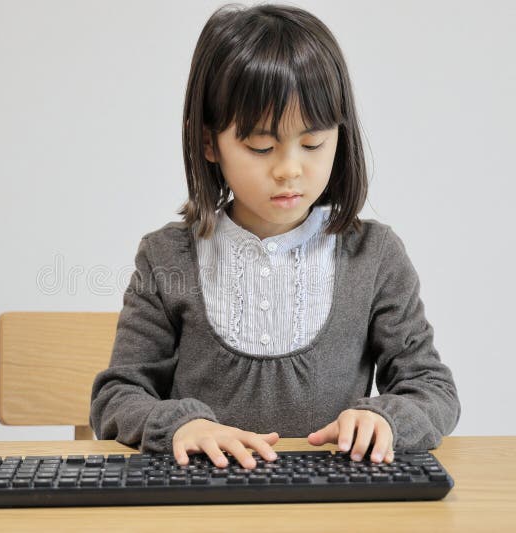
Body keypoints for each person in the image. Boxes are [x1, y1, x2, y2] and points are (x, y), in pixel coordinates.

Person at [89, 3, 460, 471]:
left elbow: (432, 389)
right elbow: (118, 396)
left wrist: (385, 418)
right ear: (209, 142)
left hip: (336, 502)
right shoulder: (167, 257)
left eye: (313, 143)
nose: (289, 169)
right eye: (261, 146)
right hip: (203, 499)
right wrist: (180, 426)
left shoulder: (375, 256)